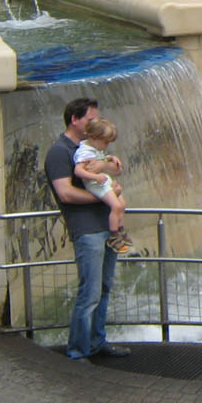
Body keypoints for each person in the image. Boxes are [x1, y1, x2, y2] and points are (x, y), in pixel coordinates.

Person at [44, 97, 131, 361]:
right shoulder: (60, 151)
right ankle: (78, 351)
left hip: (107, 225)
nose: (97, 123)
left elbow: (115, 167)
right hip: (87, 229)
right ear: (75, 119)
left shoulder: (92, 147)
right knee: (89, 292)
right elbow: (66, 193)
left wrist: (106, 169)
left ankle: (96, 341)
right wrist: (105, 197)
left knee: (104, 287)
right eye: (91, 119)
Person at [73, 116, 137, 256]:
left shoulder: (95, 148)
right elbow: (78, 170)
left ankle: (120, 230)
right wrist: (95, 176)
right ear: (94, 138)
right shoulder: (84, 151)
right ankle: (114, 237)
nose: (107, 145)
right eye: (106, 142)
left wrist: (110, 158)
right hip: (95, 183)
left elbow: (101, 158)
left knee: (122, 203)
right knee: (116, 206)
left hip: (102, 181)